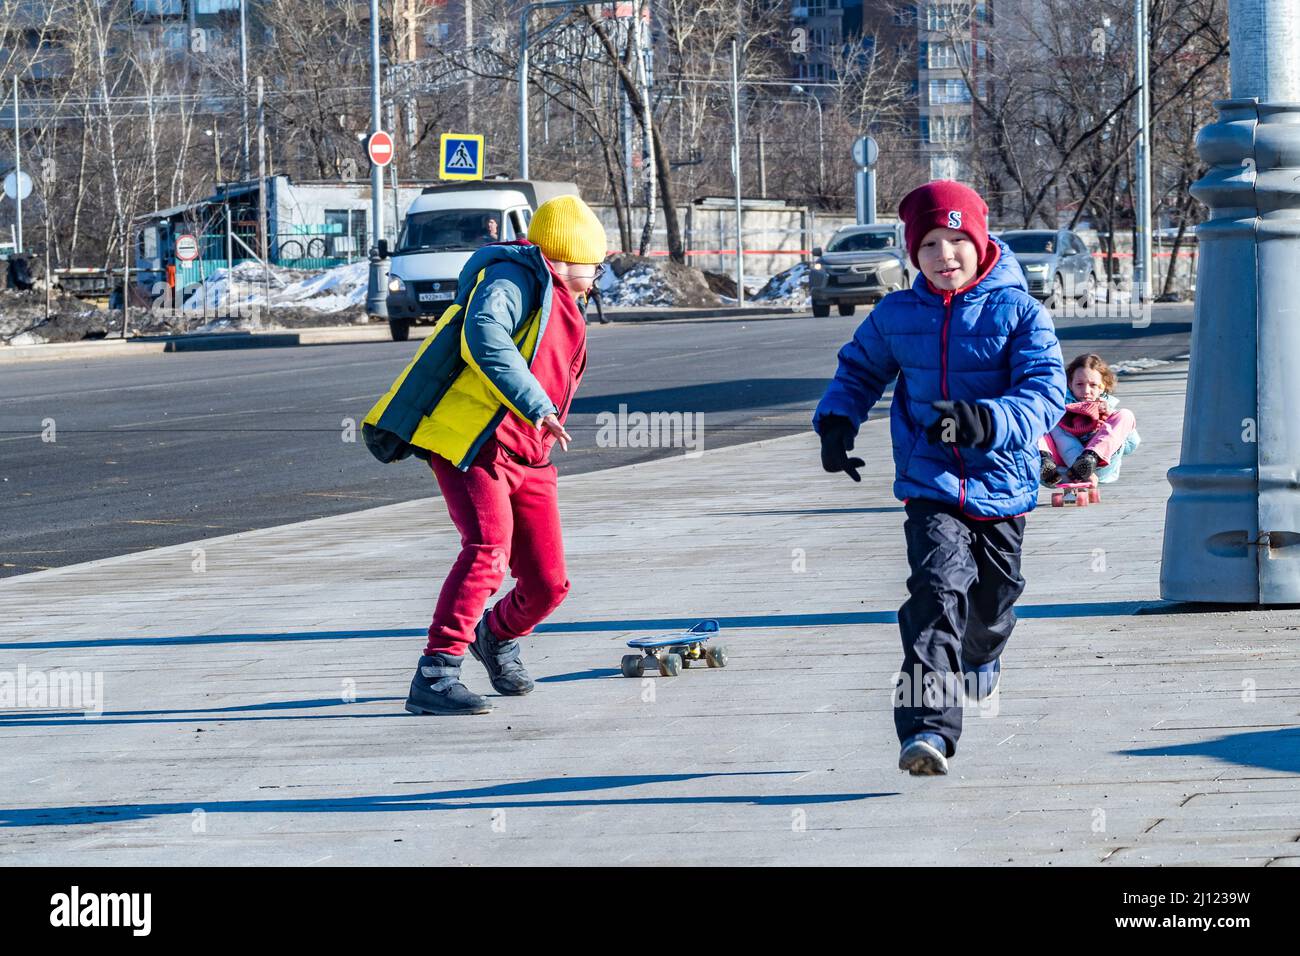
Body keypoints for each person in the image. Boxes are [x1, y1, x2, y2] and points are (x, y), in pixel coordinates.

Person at [814, 180, 1066, 776]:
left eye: (957, 240)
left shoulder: (1019, 311)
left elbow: (1047, 390)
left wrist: (990, 419)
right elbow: (858, 370)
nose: (944, 254)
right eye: (929, 243)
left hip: (1001, 481)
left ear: (980, 243)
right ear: (911, 253)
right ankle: (926, 729)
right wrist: (836, 422)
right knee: (935, 594)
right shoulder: (897, 314)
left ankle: (982, 655)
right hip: (931, 485)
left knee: (993, 600)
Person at [361, 194, 606, 715]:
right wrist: (537, 405)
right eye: (595, 263)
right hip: (474, 444)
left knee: (547, 584)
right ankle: (436, 672)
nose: (599, 273)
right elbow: (483, 334)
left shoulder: (566, 297)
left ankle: (494, 636)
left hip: (530, 454)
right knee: (487, 550)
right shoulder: (513, 279)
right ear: (566, 255)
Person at [1039, 353, 1140, 486]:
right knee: (1040, 419)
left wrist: (1109, 416)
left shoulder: (1108, 410)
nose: (1086, 391)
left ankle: (1089, 460)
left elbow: (1130, 447)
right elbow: (1065, 442)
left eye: (1093, 385)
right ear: (1070, 384)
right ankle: (1043, 462)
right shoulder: (1060, 408)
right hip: (1060, 472)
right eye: (1080, 384)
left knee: (1125, 414)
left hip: (1100, 466)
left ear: (1102, 386)